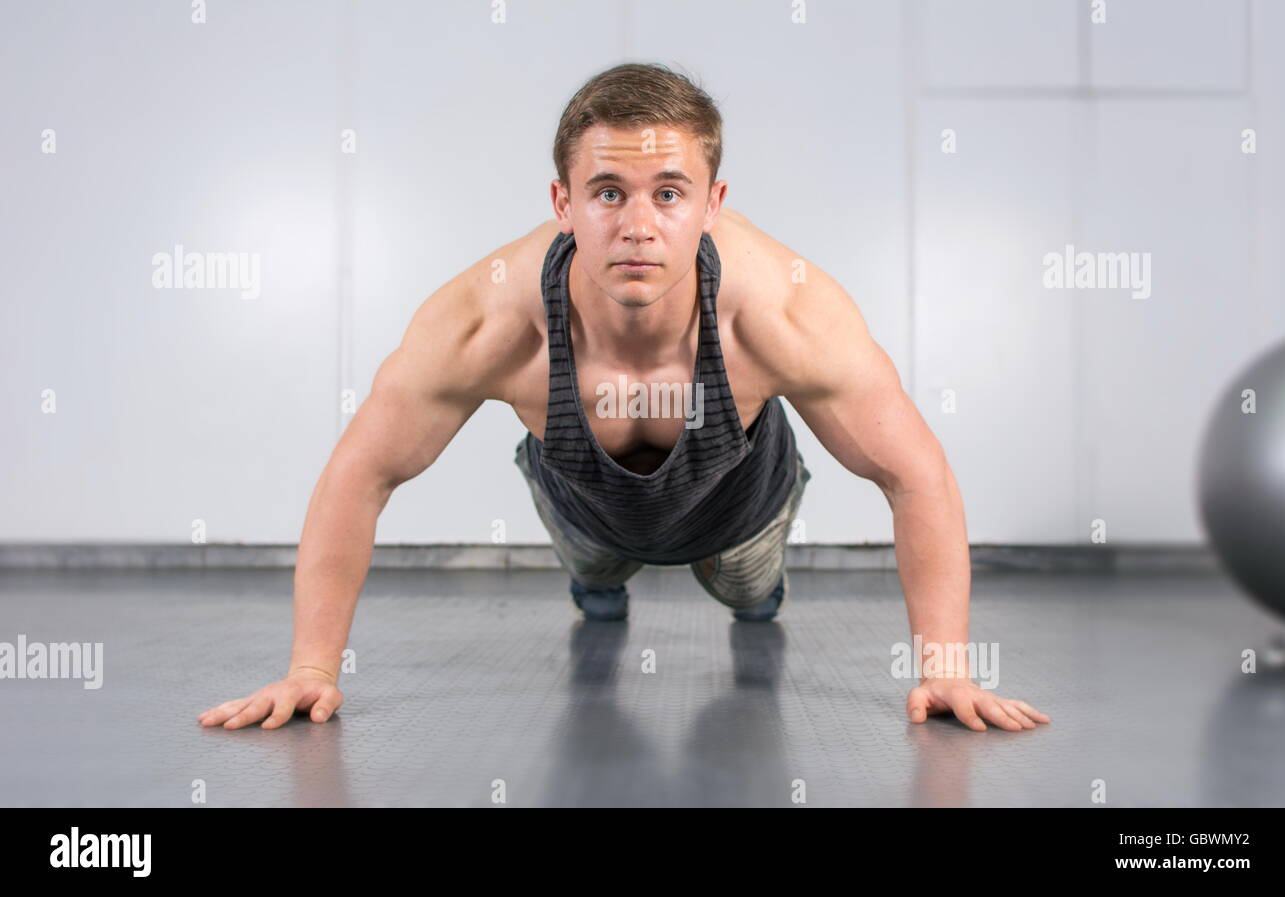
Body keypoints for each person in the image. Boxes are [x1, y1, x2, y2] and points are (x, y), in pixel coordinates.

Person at [199, 62, 1049, 734]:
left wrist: (945, 668)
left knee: (750, 593)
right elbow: (362, 471)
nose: (638, 224)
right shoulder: (490, 321)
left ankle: (757, 586)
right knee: (596, 570)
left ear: (712, 205)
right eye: (609, 192)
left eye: (668, 194)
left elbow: (915, 473)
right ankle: (599, 583)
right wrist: (311, 669)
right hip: (584, 511)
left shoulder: (783, 313)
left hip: (737, 515)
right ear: (563, 202)